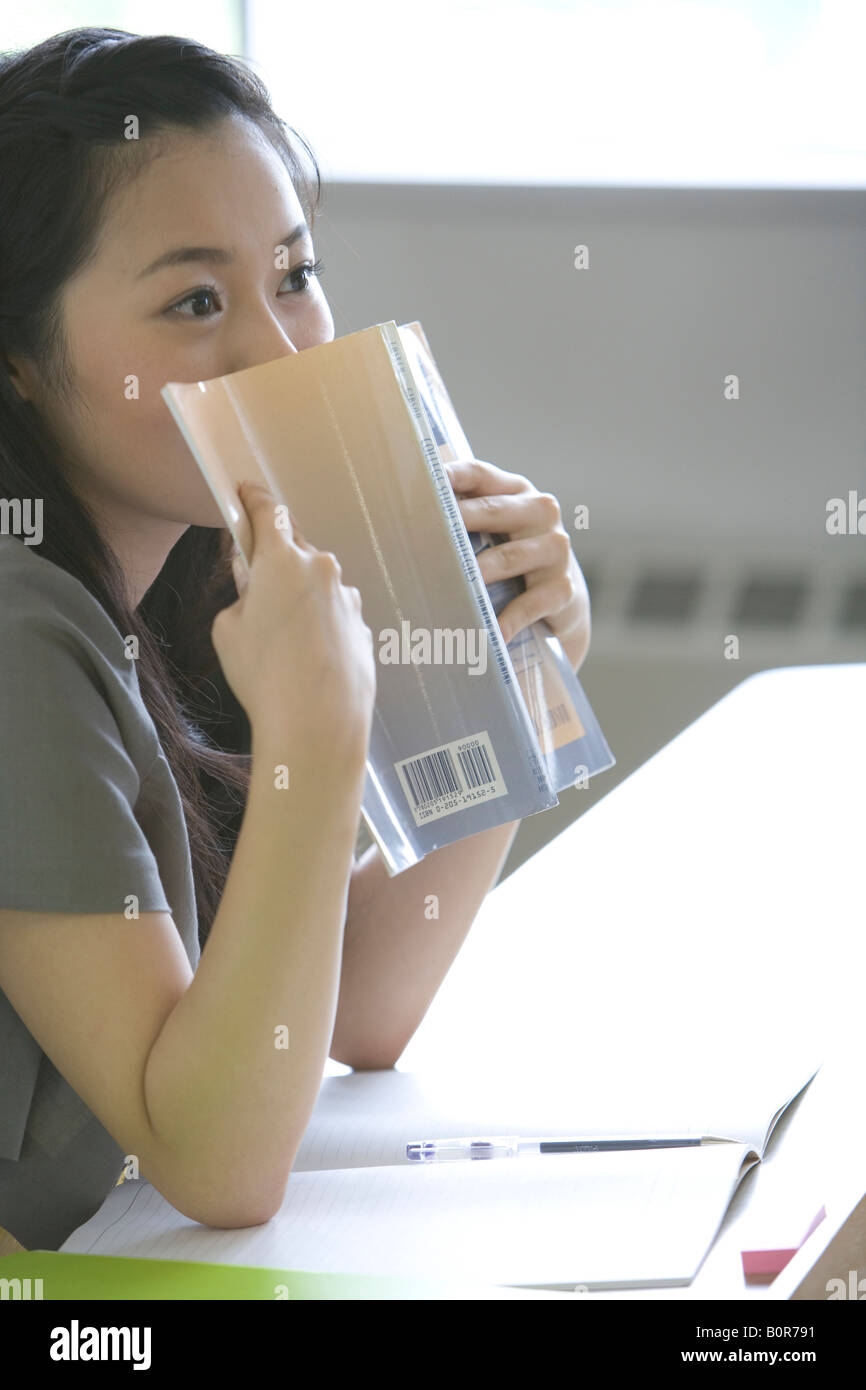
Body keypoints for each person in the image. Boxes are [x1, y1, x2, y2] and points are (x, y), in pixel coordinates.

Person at [0, 27, 591, 1253]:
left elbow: (357, 1002)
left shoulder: (186, 576)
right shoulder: (18, 633)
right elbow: (220, 1156)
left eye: (293, 272)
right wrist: (312, 744)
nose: (280, 348)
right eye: (195, 300)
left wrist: (517, 670)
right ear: (20, 359)